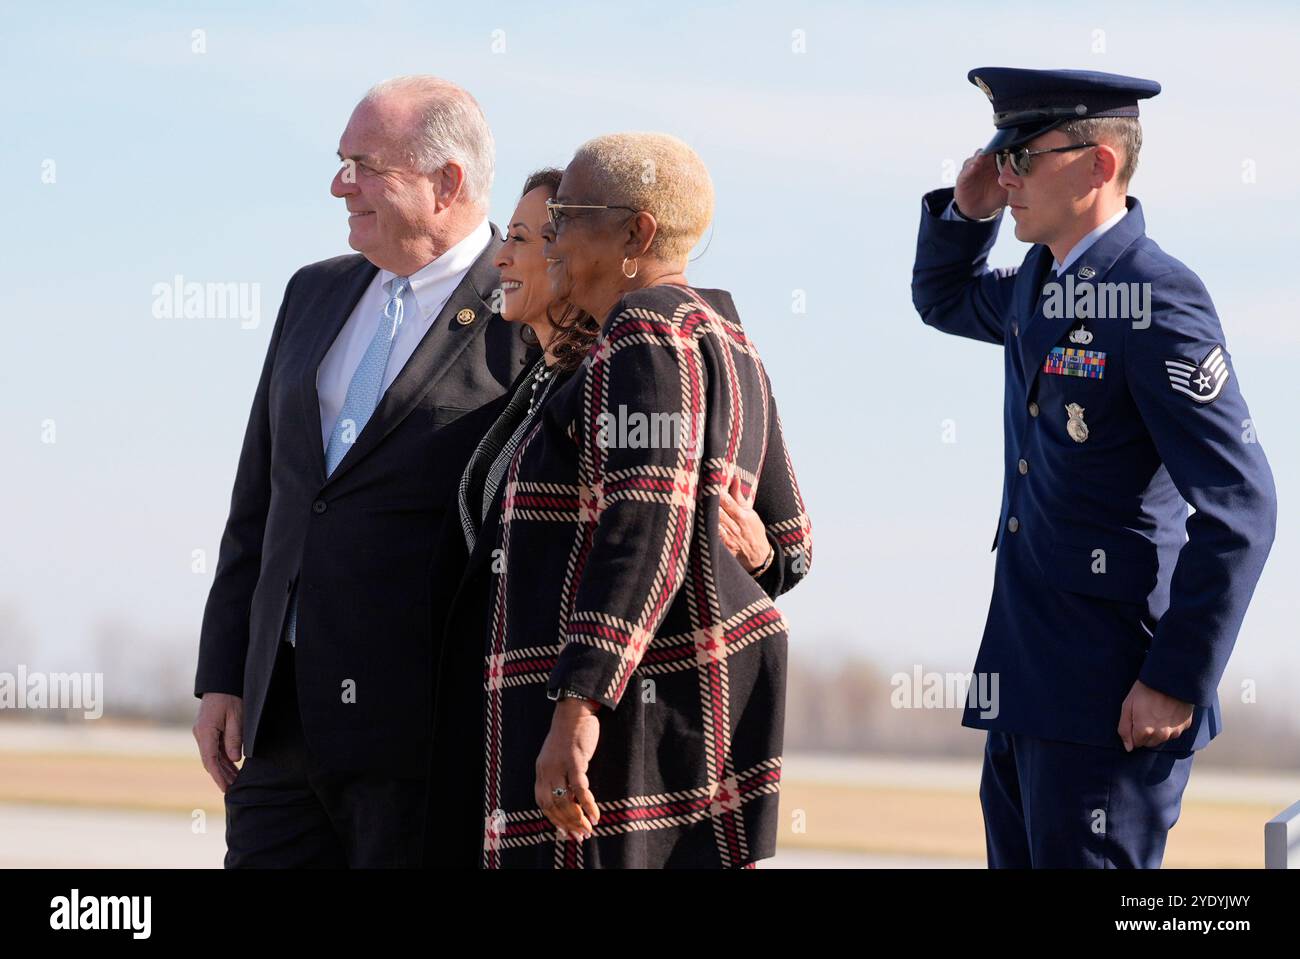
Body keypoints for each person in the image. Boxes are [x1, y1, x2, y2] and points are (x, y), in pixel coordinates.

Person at [911, 67, 1277, 868]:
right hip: (1025, 682)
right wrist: (966, 209)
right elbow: (940, 297)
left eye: (1021, 156)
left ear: (1098, 165)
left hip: (1114, 697)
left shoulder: (1156, 298)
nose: (1005, 176)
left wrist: (1177, 679)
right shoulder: (1040, 284)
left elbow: (1243, 506)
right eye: (999, 155)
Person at [192, 75, 533, 867]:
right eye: (343, 160)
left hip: (423, 735)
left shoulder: (522, 318)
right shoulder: (312, 292)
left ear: (447, 182)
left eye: (365, 165)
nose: (340, 184)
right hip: (280, 724)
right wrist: (224, 672)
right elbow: (263, 497)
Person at [464, 132, 812, 869]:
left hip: (627, 740)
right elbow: (790, 543)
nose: (552, 238)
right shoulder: (729, 337)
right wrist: (732, 544)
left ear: (637, 233)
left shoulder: (646, 325)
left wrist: (578, 705)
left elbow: (642, 527)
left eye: (567, 216)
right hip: (678, 720)